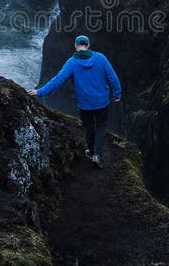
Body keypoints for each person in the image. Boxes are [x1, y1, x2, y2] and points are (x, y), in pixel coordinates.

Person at [27, 35, 121, 168]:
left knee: (89, 126)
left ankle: (90, 150)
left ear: (76, 46)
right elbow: (112, 77)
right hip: (101, 102)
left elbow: (57, 80)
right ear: (88, 45)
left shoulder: (72, 62)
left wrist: (39, 92)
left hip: (85, 104)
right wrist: (117, 94)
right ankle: (97, 154)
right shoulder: (100, 58)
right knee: (100, 126)